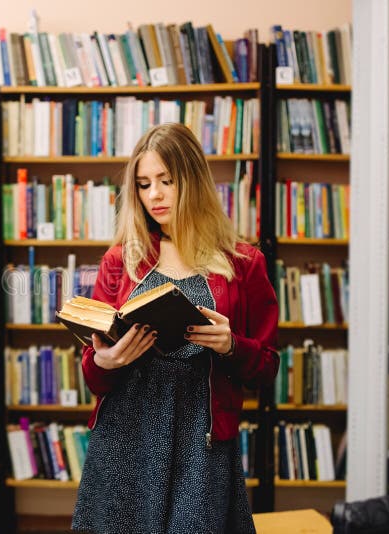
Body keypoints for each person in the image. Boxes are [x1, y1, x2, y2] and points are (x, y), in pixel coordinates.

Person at [71, 123, 279, 534]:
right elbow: (94, 376)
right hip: (125, 440)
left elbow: (268, 368)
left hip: (199, 444)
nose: (155, 195)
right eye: (145, 184)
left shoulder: (243, 263)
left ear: (193, 181)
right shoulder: (121, 260)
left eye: (167, 181)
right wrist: (106, 360)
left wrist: (231, 345)